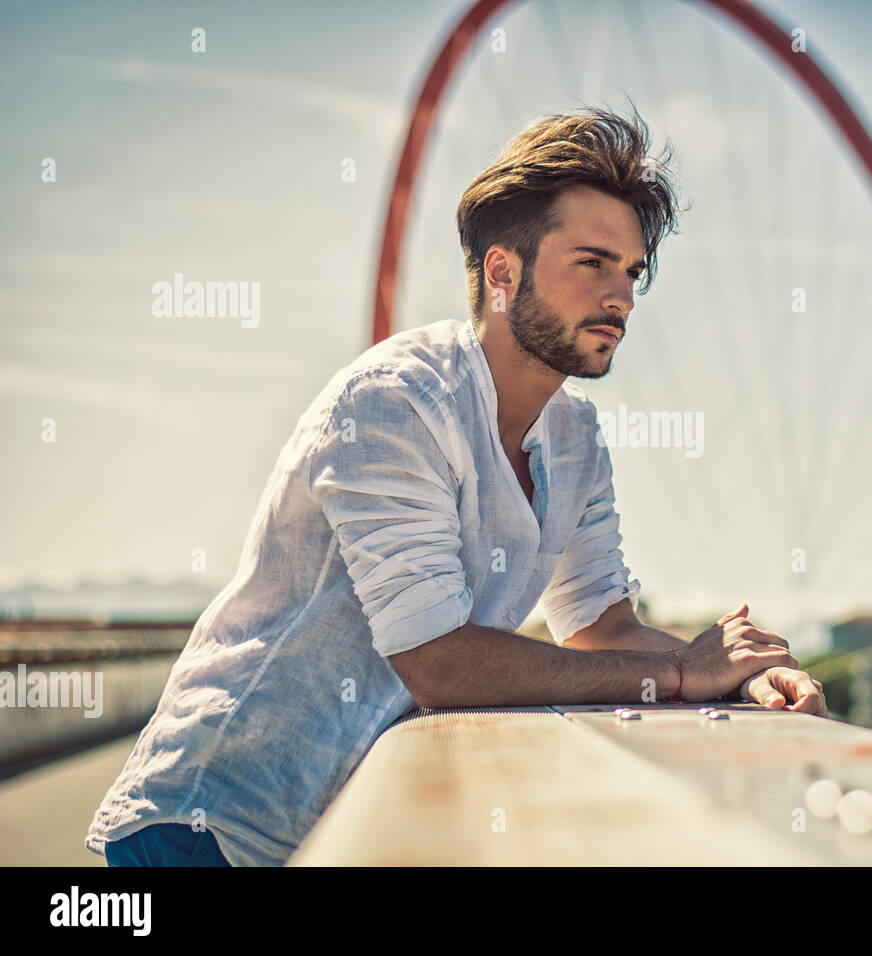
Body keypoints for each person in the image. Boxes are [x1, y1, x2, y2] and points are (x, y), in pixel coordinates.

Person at [87, 105, 826, 868]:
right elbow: (439, 663)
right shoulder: (393, 402)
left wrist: (741, 681)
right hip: (211, 825)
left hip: (344, 829)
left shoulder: (574, 440)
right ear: (503, 272)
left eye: (631, 271)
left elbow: (603, 632)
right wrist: (676, 674)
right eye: (592, 263)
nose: (622, 297)